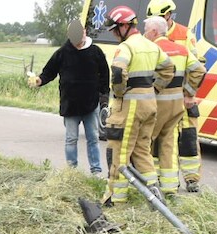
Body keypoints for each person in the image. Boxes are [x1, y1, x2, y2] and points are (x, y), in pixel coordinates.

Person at [101, 5, 174, 206]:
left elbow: (117, 72)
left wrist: (118, 92)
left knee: (120, 151)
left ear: (124, 26)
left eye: (115, 30)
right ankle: (155, 198)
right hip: (149, 104)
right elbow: (169, 69)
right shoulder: (152, 45)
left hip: (130, 105)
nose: (115, 34)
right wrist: (155, 89)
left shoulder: (127, 47)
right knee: (142, 151)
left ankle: (116, 199)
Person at [30, 20, 110, 174]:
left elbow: (104, 73)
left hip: (91, 103)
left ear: (85, 33)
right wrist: (39, 81)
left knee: (93, 138)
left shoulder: (95, 52)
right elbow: (49, 72)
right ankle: (71, 171)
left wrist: (103, 93)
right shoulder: (62, 53)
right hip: (70, 103)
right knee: (71, 139)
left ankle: (96, 171)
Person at [146, 0, 204, 192]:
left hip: (181, 95)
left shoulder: (184, 34)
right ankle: (164, 182)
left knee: (188, 136)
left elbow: (196, 64)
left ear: (168, 15)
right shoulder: (150, 37)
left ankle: (191, 178)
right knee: (163, 139)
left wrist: (189, 93)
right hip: (165, 97)